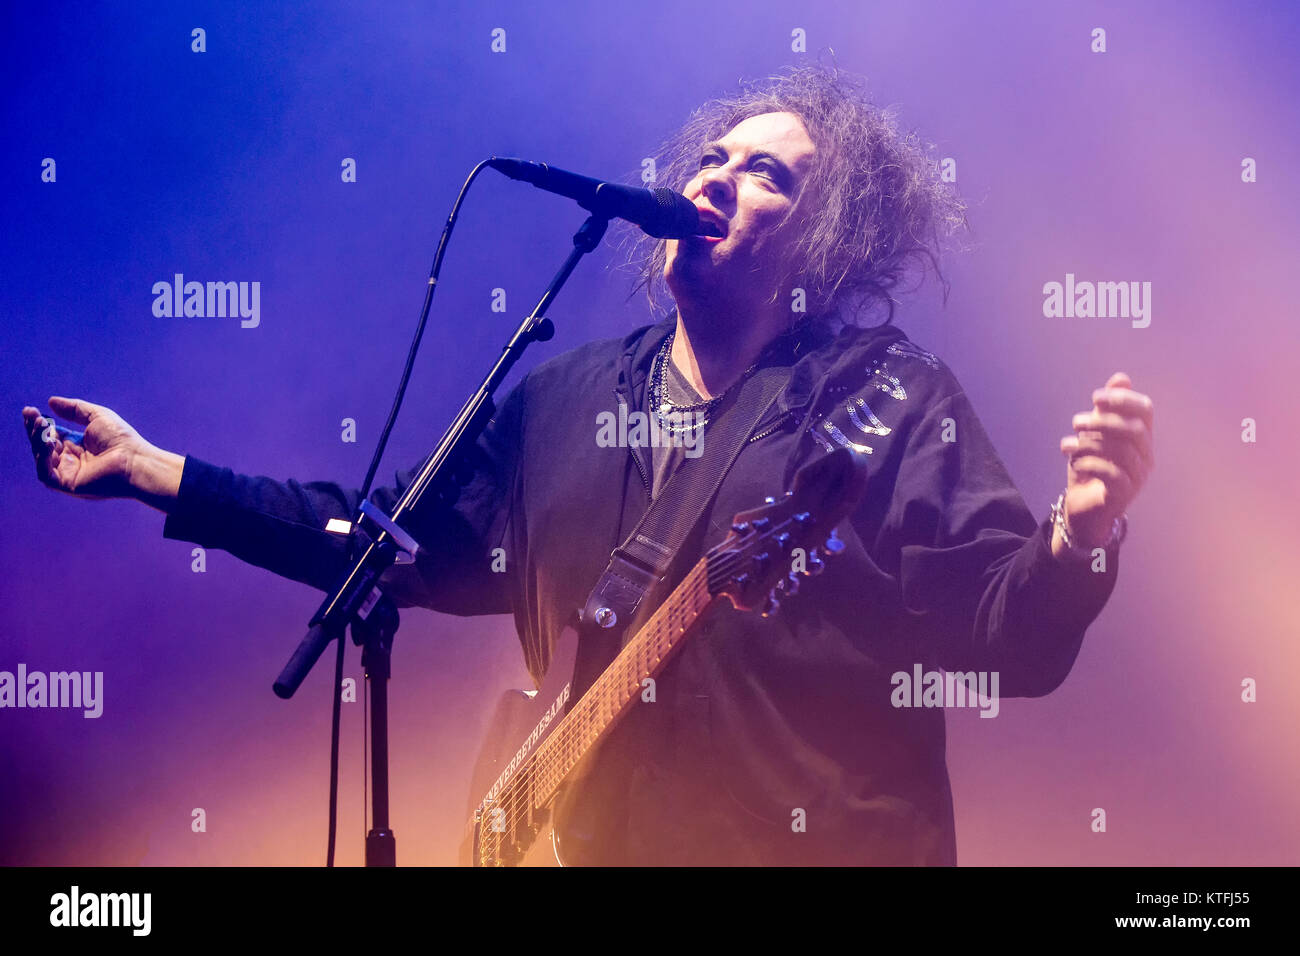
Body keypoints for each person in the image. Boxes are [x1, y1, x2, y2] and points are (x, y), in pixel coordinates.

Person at [21, 65, 1153, 865]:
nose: (711, 178)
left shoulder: (886, 395)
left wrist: (1079, 534)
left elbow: (1002, 635)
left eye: (769, 176)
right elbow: (391, 542)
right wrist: (166, 475)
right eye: (710, 156)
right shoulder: (565, 394)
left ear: (831, 242)